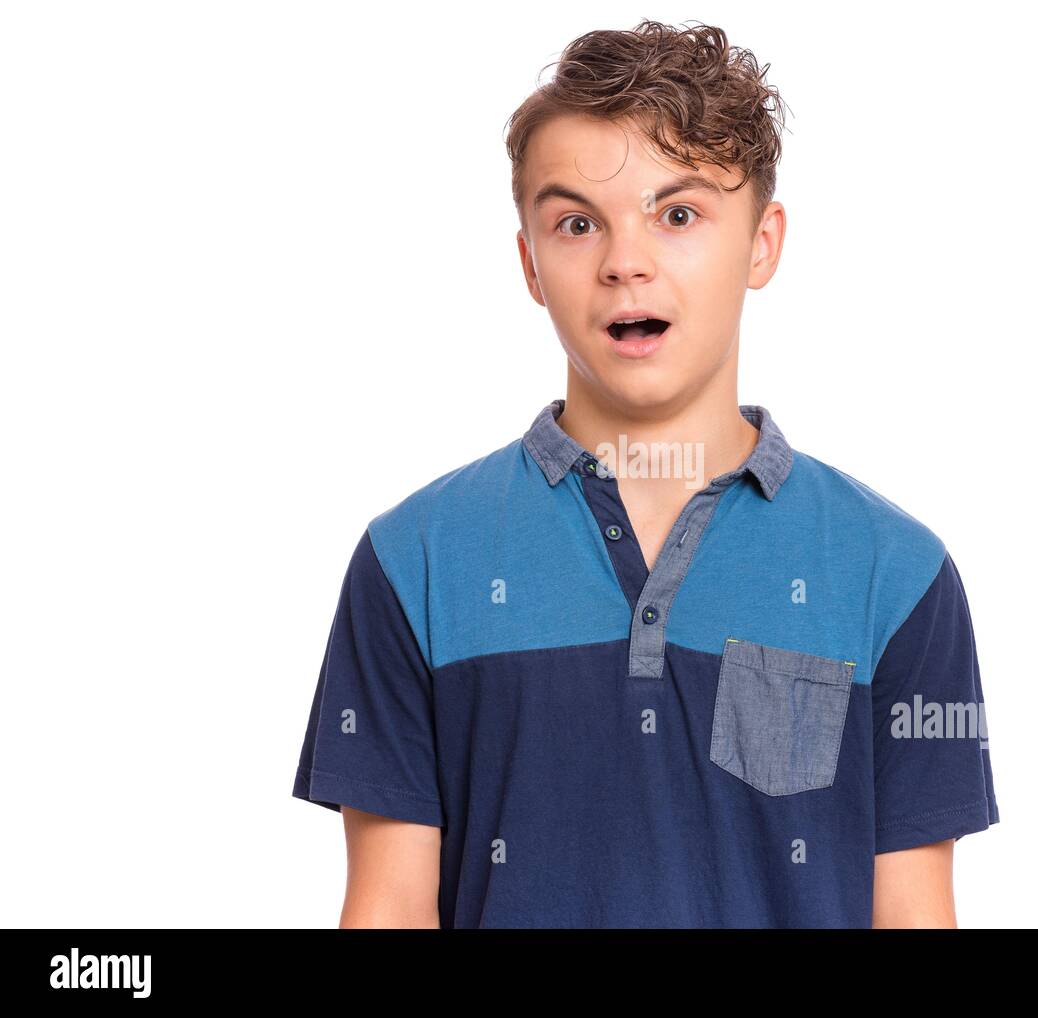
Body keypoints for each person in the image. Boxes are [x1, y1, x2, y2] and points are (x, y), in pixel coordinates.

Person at [292, 18, 999, 929]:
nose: (626, 261)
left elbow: (912, 916)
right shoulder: (414, 561)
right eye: (578, 223)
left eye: (678, 214)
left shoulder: (897, 576)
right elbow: (387, 909)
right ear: (531, 265)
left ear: (762, 244)